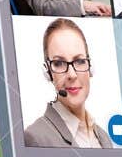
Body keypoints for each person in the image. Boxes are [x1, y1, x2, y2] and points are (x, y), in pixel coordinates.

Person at [22, 19, 114, 149]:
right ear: (48, 72)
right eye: (59, 63)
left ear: (90, 67)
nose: (72, 74)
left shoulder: (103, 138)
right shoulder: (35, 137)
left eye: (80, 61)